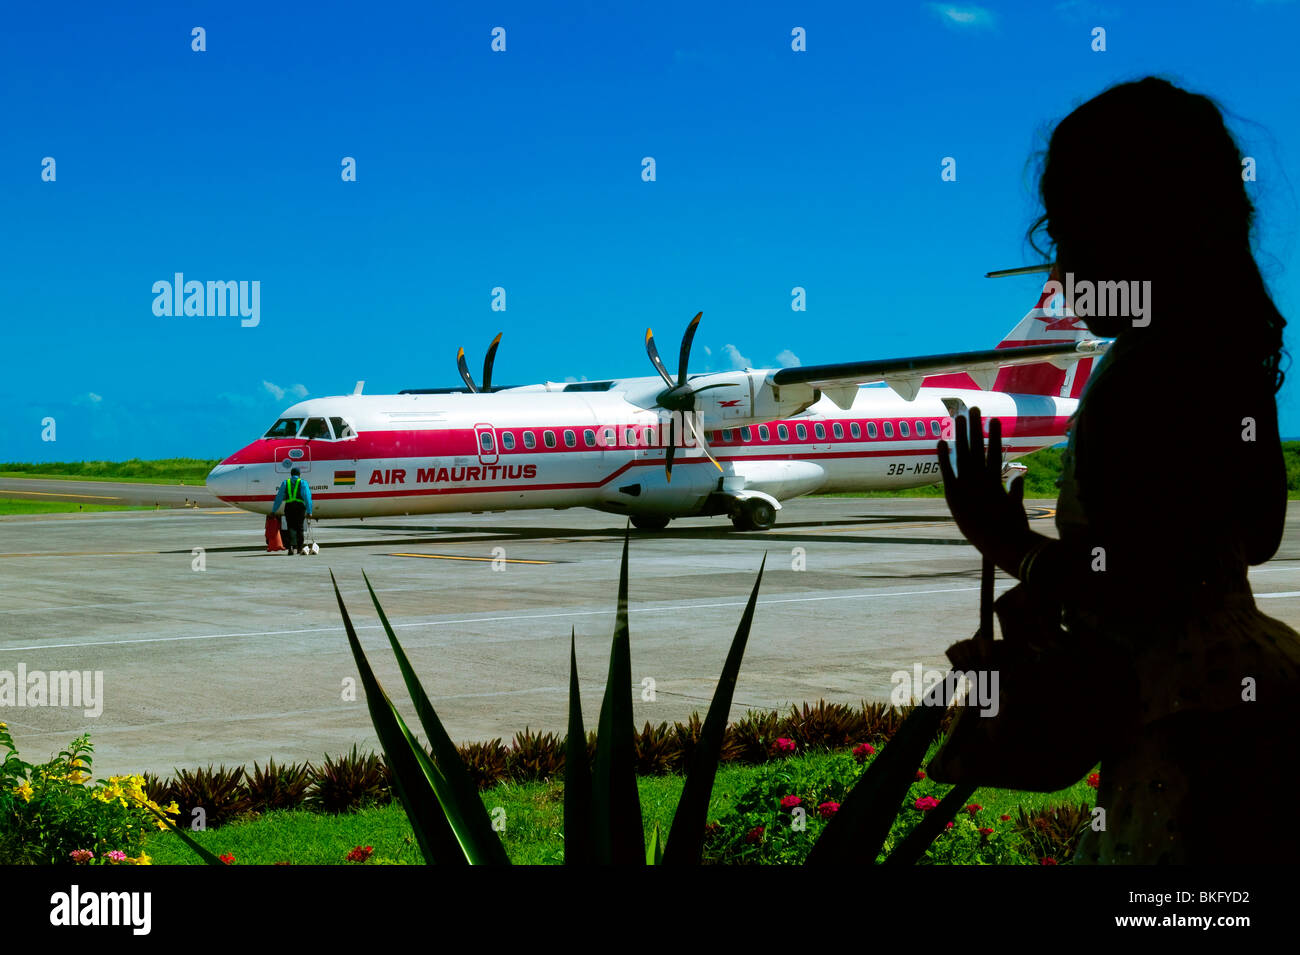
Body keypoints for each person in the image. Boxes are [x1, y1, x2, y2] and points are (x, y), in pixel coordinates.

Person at [937, 77, 1300, 863]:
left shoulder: (1138, 376)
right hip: (1255, 674)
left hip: (1182, 716)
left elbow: (1144, 586)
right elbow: (1259, 534)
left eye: (1069, 235)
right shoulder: (1230, 357)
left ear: (1132, 236)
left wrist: (1012, 543)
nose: (1060, 266)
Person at [272, 467, 313, 555]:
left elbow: (279, 497)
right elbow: (307, 497)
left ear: (291, 474)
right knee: (300, 528)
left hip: (289, 507)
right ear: (299, 474)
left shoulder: (286, 482)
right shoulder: (303, 482)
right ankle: (299, 548)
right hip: (299, 507)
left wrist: (274, 510)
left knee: (290, 527)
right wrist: (309, 511)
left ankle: (290, 548)